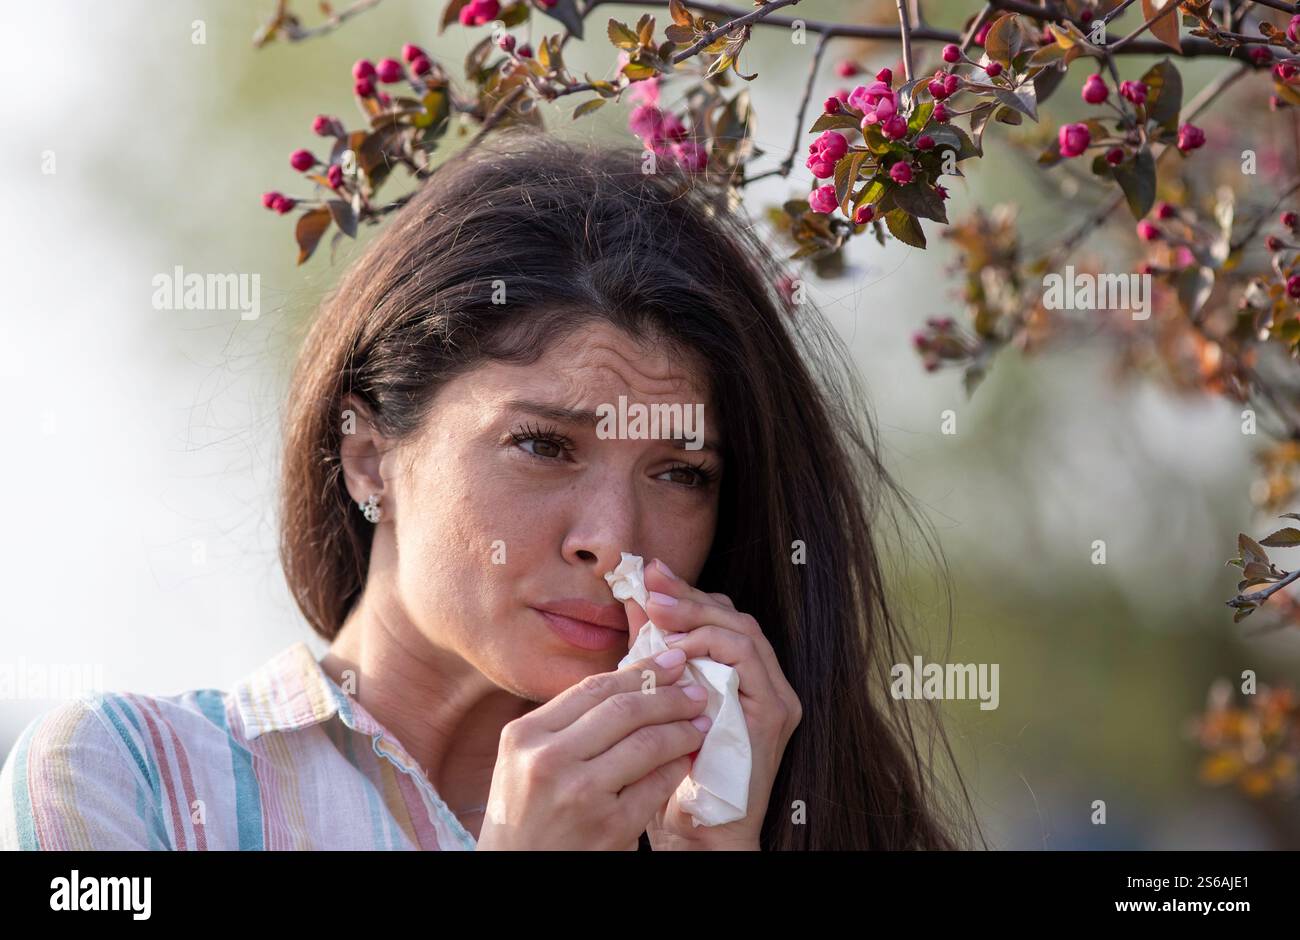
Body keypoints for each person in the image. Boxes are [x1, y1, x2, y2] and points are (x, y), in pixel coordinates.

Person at [0, 128, 978, 850]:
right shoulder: (128, 776)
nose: (614, 539)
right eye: (543, 445)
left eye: (680, 472)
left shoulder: (749, 810)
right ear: (368, 454)